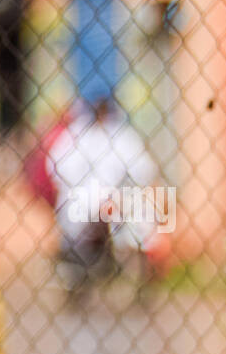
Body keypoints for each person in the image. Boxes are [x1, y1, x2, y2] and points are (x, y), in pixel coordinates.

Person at [47, 97, 157, 297]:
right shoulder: (78, 135)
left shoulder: (120, 136)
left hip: (115, 201)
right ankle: (77, 272)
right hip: (82, 199)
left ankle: (134, 275)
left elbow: (142, 170)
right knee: (76, 227)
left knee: (140, 219)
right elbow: (57, 168)